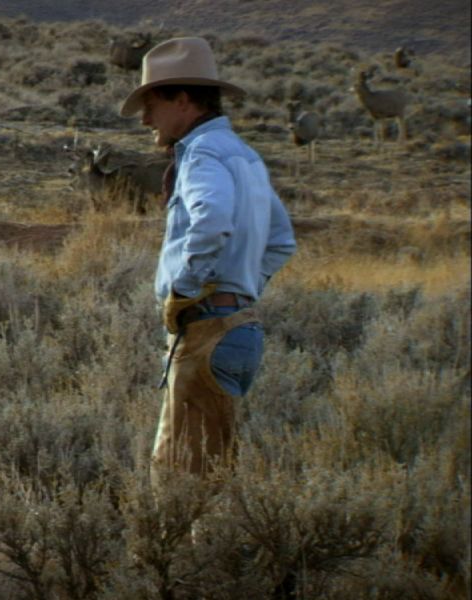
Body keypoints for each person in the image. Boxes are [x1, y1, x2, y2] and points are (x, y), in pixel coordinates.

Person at [118, 37, 297, 488]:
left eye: (151, 105)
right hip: (238, 329)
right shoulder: (244, 155)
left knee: (179, 479)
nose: (145, 119)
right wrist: (240, 288)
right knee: (207, 470)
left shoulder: (202, 153)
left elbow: (212, 219)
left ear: (182, 100)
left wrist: (188, 288)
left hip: (207, 331)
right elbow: (280, 241)